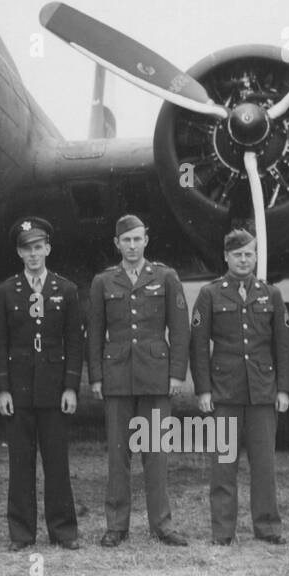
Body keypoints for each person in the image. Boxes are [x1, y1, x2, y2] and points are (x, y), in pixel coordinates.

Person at [88, 214, 191, 547]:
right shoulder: (103, 282)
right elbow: (94, 334)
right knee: (118, 454)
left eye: (137, 239)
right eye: (125, 240)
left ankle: (161, 524)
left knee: (156, 452)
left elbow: (179, 329)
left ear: (146, 240)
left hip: (155, 375)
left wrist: (176, 374)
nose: (132, 246)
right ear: (116, 244)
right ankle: (116, 525)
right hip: (117, 375)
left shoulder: (166, 277)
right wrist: (97, 377)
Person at [189, 230, 289, 546]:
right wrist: (204, 390)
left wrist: (283, 389)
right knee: (223, 465)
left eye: (249, 254)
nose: (244, 260)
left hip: (262, 390)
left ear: (256, 256)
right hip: (225, 391)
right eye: (237, 254)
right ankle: (222, 530)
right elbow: (198, 346)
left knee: (264, 465)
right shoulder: (210, 294)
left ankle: (268, 527)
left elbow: (284, 345)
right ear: (226, 257)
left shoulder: (270, 294)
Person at [0, 217, 83, 551]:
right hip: (18, 390)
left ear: (48, 248)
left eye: (38, 247)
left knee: (57, 463)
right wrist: (2, 389)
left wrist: (71, 387)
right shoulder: (5, 291)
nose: (33, 254)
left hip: (55, 390)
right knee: (20, 464)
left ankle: (63, 530)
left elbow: (74, 342)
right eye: (26, 248)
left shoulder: (66, 289)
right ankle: (21, 532)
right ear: (19, 252)